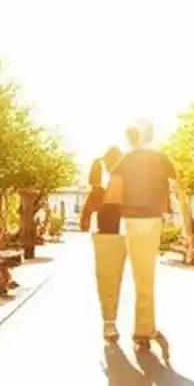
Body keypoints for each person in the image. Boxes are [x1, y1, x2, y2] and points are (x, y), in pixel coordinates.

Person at [103, 119, 191, 355]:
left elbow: (113, 193)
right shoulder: (161, 159)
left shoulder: (126, 160)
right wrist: (187, 230)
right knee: (144, 278)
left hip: (129, 222)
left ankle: (136, 328)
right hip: (150, 222)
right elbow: (179, 193)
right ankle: (143, 331)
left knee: (132, 277)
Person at [82, 147, 125, 343]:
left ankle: (110, 322)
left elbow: (84, 221)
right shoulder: (101, 189)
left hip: (112, 238)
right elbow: (85, 219)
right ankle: (110, 321)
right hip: (112, 239)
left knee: (109, 281)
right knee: (110, 281)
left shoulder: (102, 189)